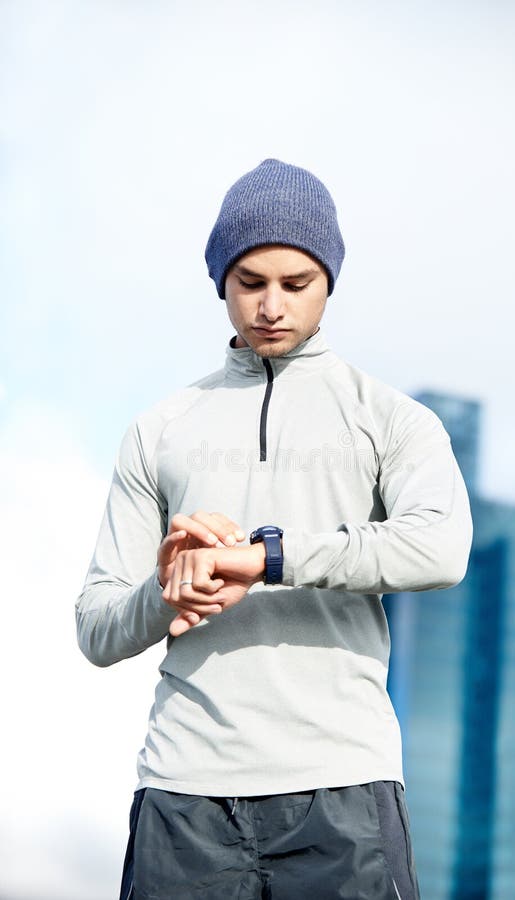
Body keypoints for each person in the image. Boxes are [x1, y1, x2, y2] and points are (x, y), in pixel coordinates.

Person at [76, 158, 472, 900]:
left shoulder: (389, 418)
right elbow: (97, 629)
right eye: (249, 282)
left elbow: (439, 547)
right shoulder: (160, 428)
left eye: (296, 284)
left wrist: (264, 557)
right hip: (183, 792)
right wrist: (172, 590)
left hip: (342, 787)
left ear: (330, 283)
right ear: (220, 282)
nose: (269, 306)